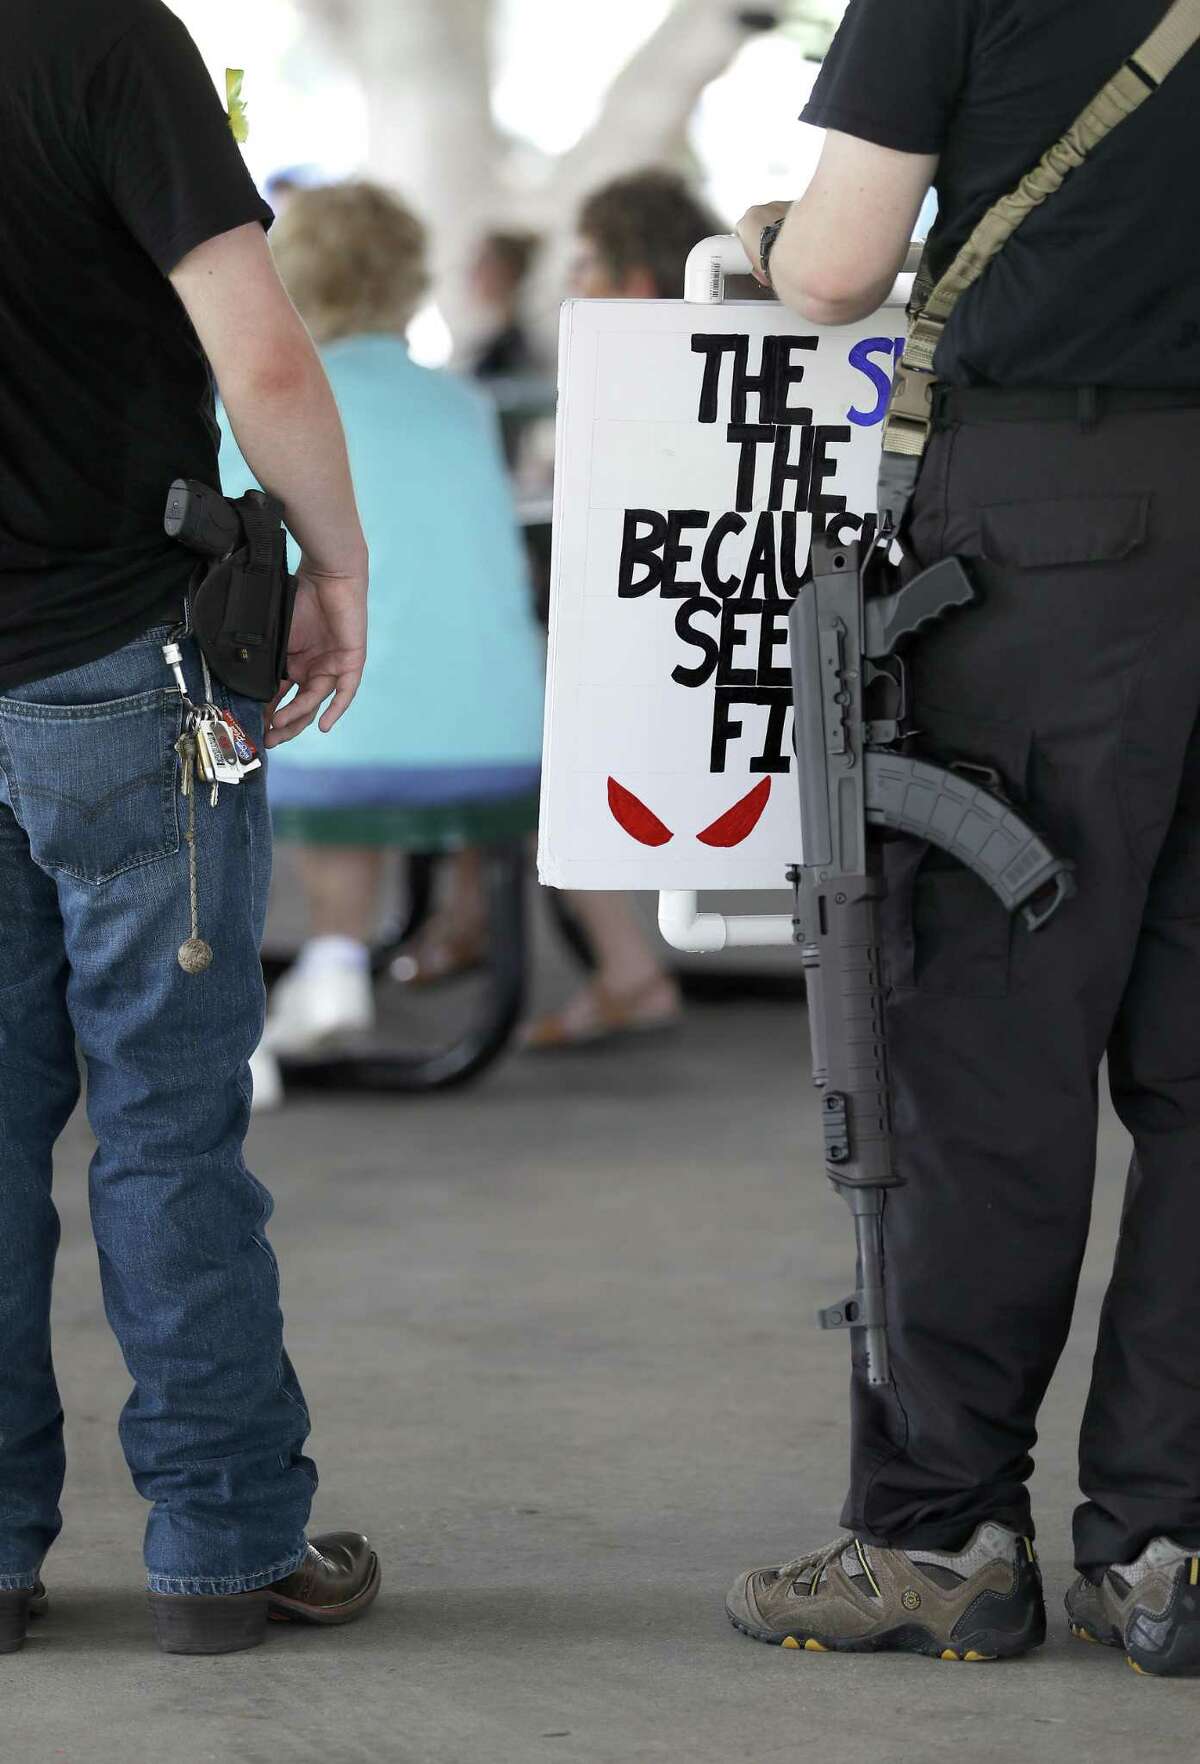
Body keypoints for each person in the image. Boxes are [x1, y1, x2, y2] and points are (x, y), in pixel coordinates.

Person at [725, 0, 1200, 1676]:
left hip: (1053, 528)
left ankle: (940, 1533)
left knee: (985, 1048)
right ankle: (1170, 1542)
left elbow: (843, 267)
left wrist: (779, 241)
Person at [0, 0, 377, 1655]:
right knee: (167, 1127)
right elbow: (265, 352)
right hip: (110, 669)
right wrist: (337, 562)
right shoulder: (98, 38)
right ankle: (223, 1547)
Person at [218, 182, 546, 1086]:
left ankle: (323, 962)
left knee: (301, 697)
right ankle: (335, 960)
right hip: (510, 732)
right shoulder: (464, 406)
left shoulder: (259, 402)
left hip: (338, 736)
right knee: (375, 679)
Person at [524, 170, 722, 1052]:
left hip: (662, 665)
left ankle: (628, 972)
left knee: (535, 728)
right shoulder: (741, 363)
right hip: (753, 655)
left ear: (637, 282)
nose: (577, 280)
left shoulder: (636, 389)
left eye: (590, 262)